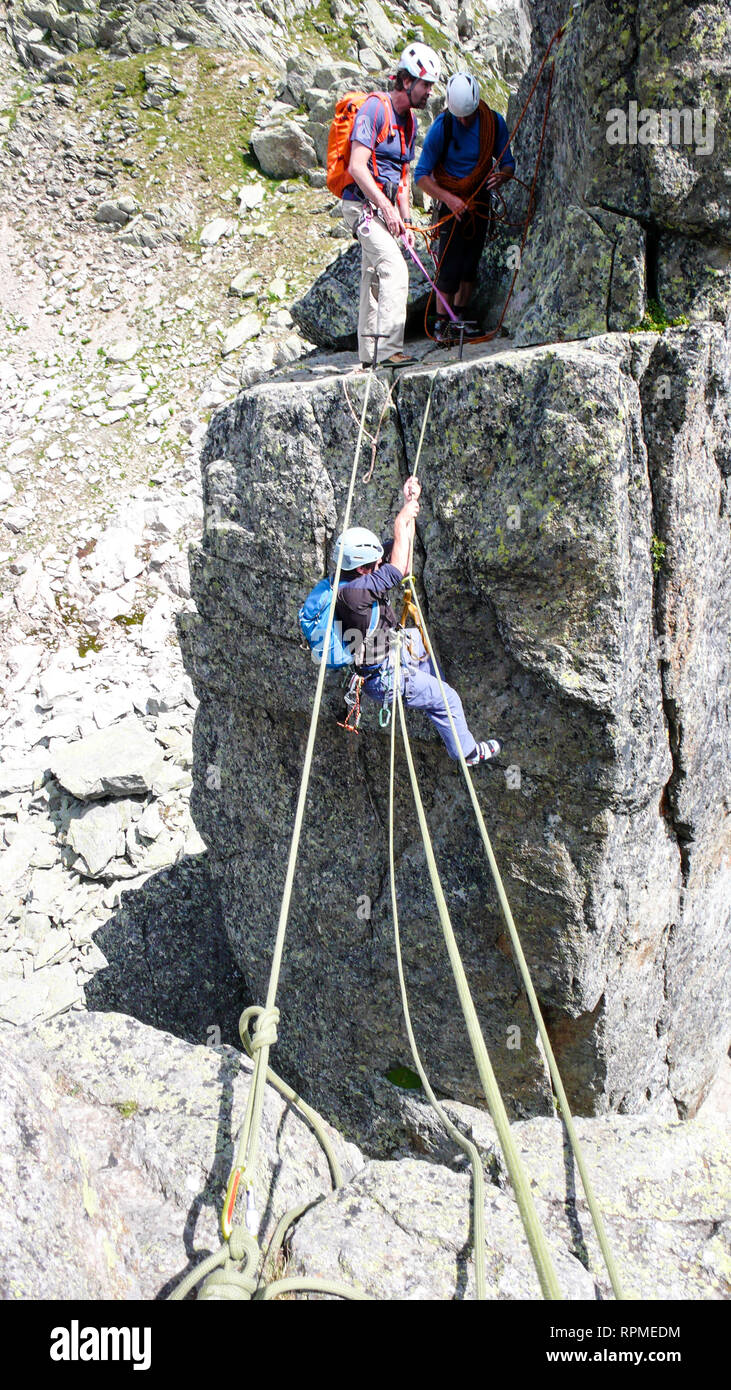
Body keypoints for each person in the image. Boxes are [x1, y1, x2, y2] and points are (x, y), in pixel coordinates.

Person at [334, 477, 501, 764]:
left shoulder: (354, 576)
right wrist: (401, 521)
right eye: (374, 564)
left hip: (385, 651)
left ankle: (435, 702)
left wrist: (408, 503)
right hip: (384, 676)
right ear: (362, 569)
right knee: (449, 698)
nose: (380, 564)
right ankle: (468, 753)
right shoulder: (353, 594)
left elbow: (402, 559)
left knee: (420, 645)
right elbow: (397, 570)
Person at [341, 43, 442, 368]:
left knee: (373, 278)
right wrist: (386, 208)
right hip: (362, 207)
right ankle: (388, 352)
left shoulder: (409, 123)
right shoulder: (375, 109)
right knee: (395, 270)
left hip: (382, 208)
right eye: (425, 85)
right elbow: (357, 166)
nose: (429, 92)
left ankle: (370, 356)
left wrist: (407, 221)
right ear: (407, 81)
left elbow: (402, 175)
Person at [415, 72, 515, 342]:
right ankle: (442, 324)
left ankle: (459, 317)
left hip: (480, 200)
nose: (463, 121)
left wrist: (502, 176)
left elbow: (507, 162)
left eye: (467, 116)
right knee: (449, 266)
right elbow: (421, 175)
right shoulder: (442, 127)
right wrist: (448, 199)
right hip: (451, 202)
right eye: (459, 115)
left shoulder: (493, 123)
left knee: (470, 264)